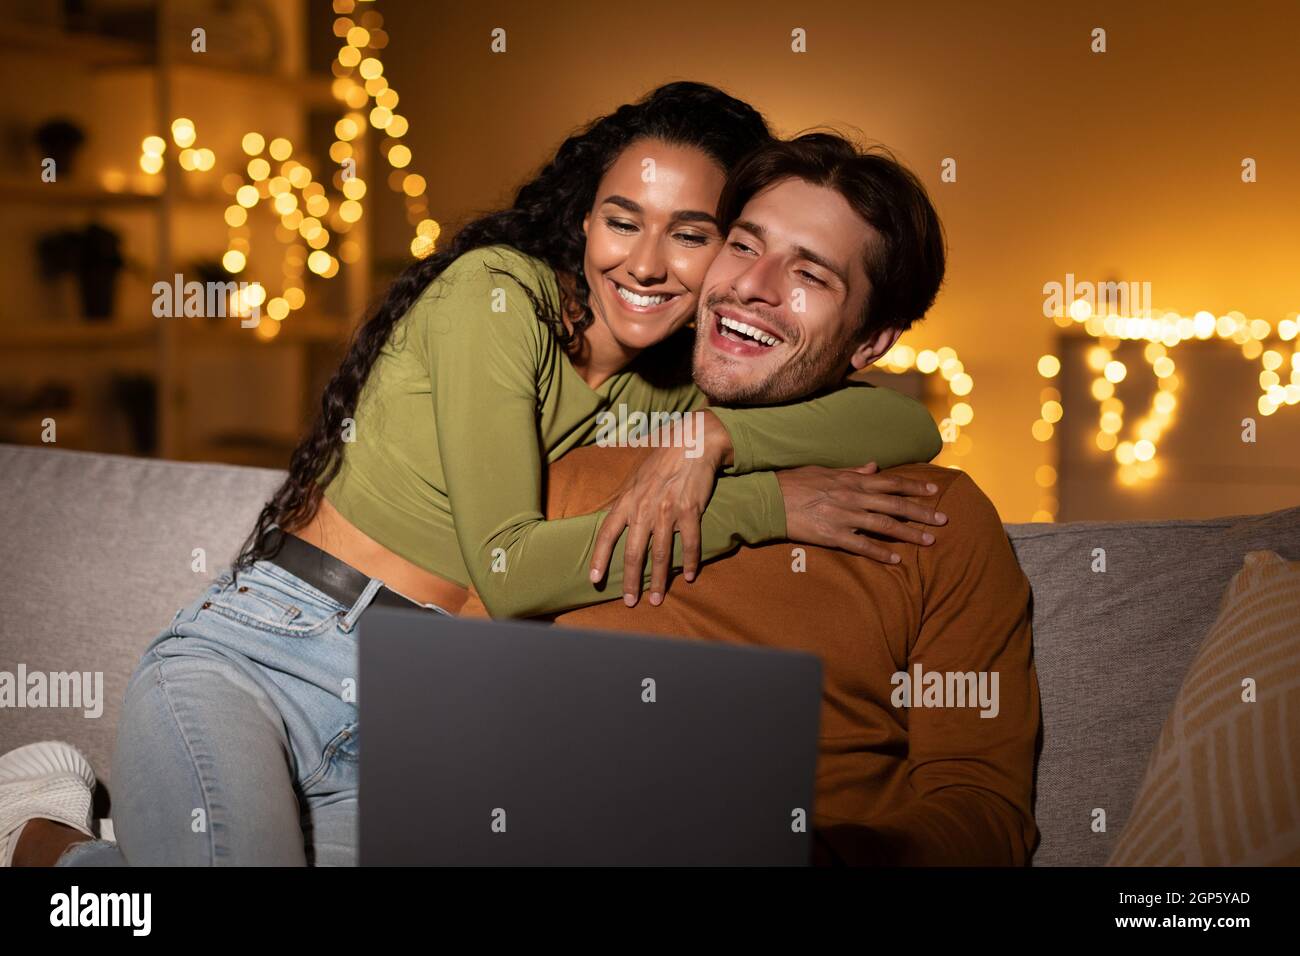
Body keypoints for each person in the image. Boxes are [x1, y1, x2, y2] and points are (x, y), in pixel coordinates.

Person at [1, 85, 946, 867]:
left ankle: (65, 835)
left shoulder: (671, 398)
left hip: (423, 713)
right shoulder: (499, 295)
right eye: (623, 221)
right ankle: (40, 831)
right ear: (585, 220)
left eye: (693, 235)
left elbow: (906, 420)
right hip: (261, 661)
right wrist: (766, 500)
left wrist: (711, 445)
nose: (647, 264)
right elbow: (510, 567)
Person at [467, 132, 1041, 864]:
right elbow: (455, 718)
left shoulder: (932, 517)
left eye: (812, 275)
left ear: (870, 343)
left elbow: (983, 810)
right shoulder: (569, 473)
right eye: (743, 246)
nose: (753, 286)